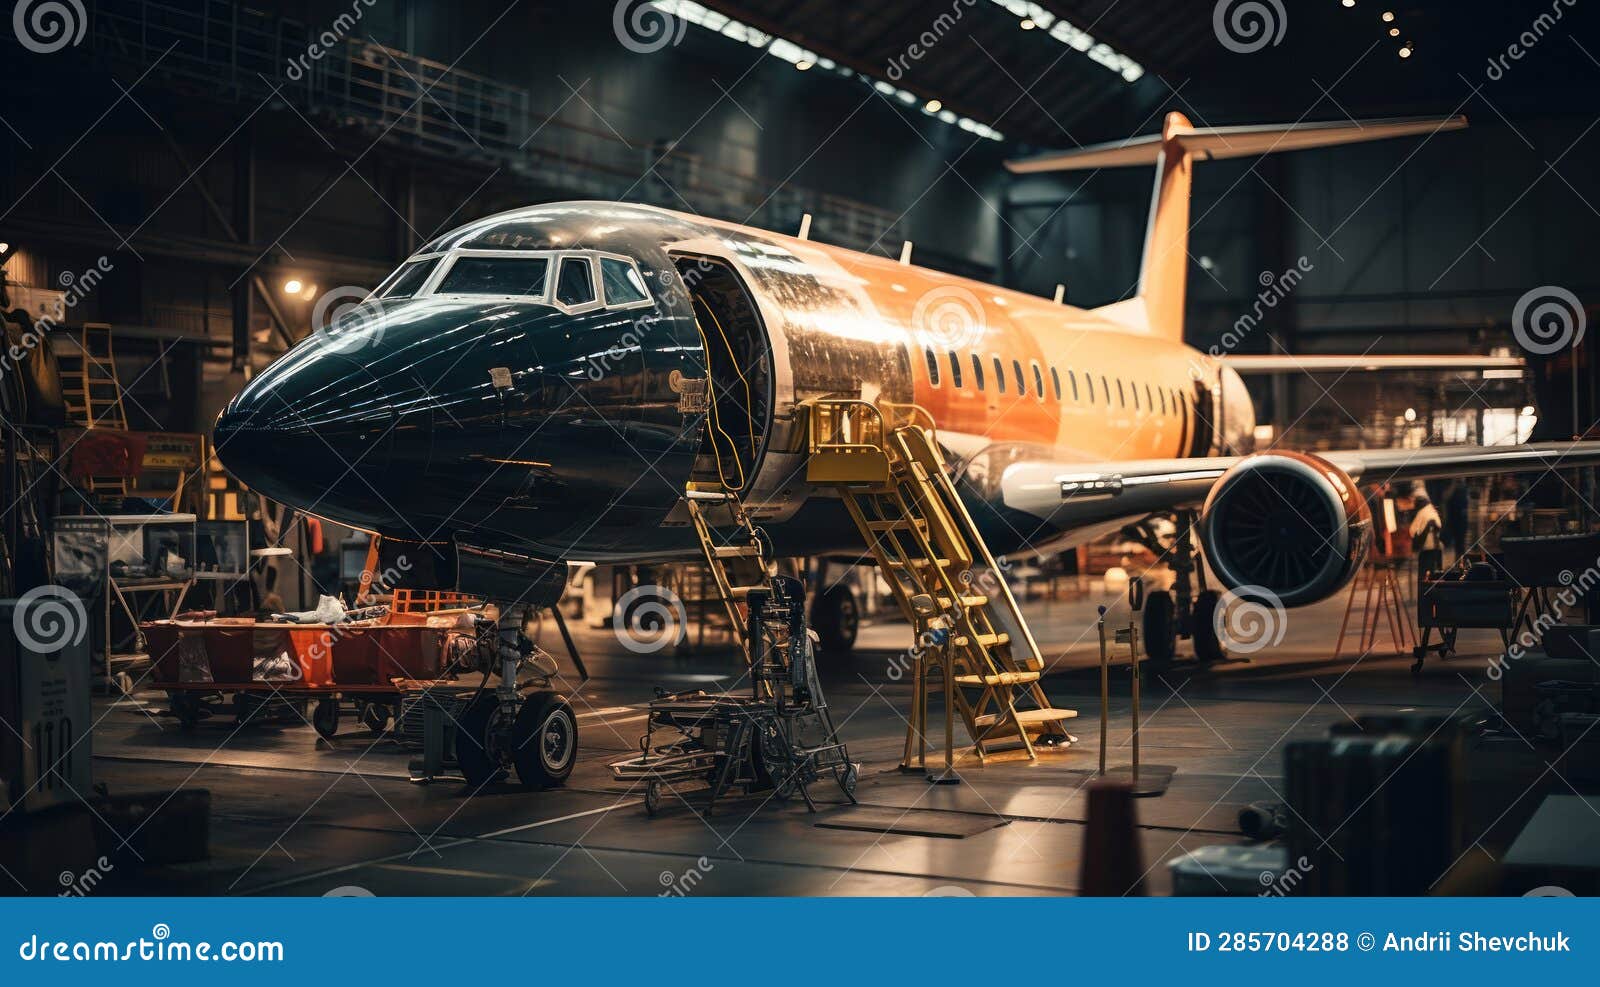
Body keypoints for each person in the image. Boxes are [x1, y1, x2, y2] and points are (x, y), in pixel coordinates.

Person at [1410, 495, 1444, 579]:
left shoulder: (1424, 512)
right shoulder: (1430, 511)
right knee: (1432, 573)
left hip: (1428, 548)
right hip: (1433, 548)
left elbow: (1412, 531)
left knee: (1426, 574)